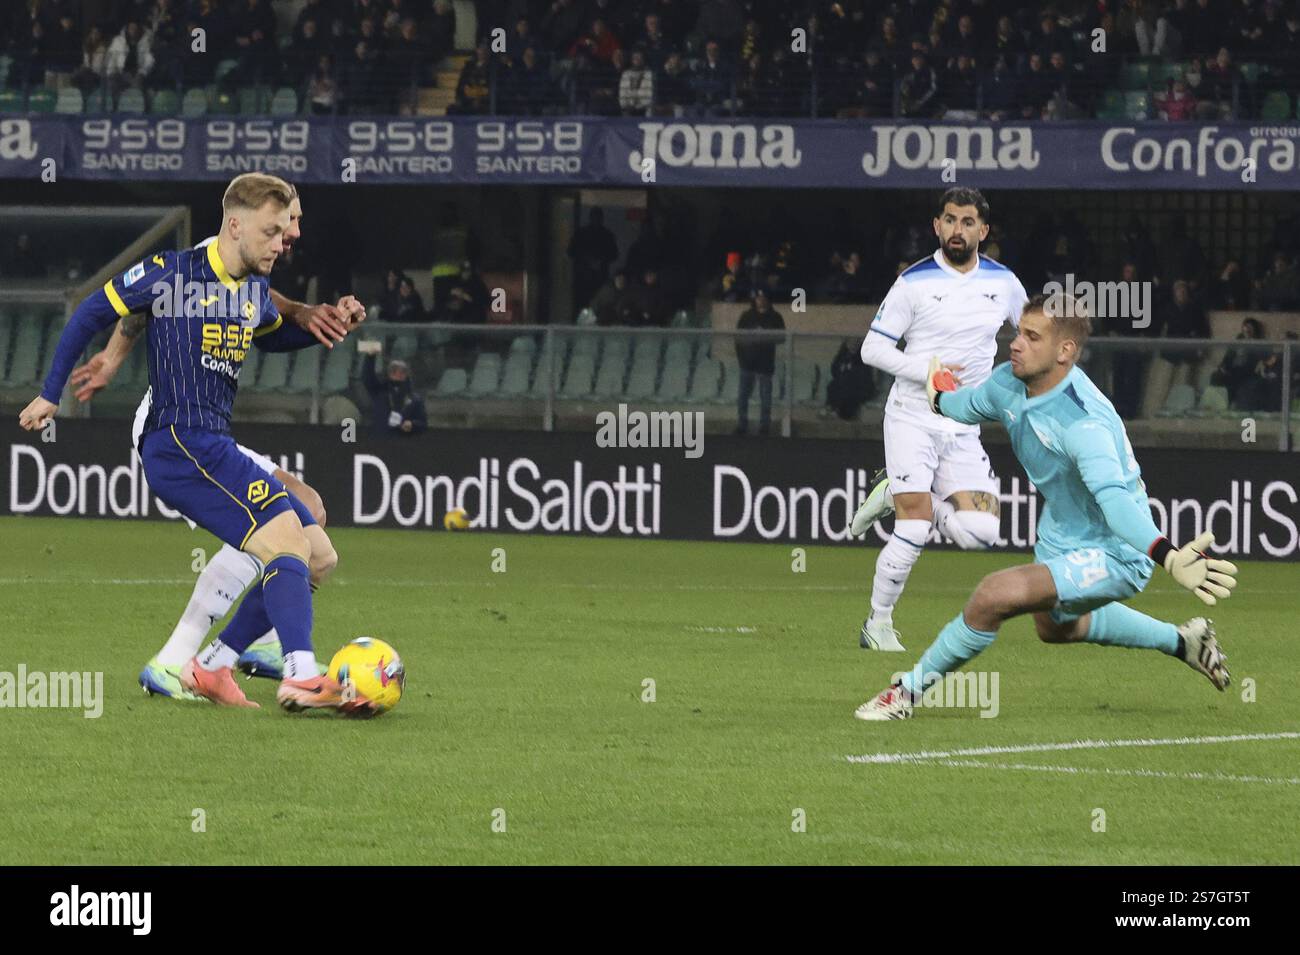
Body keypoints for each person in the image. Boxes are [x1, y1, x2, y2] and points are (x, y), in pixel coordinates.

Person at [19, 174, 370, 714]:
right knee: (287, 542)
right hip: (179, 443)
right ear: (235, 225)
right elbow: (93, 310)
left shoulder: (252, 289)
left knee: (318, 553)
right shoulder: (173, 274)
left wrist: (330, 325)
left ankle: (211, 664)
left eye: (285, 231)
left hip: (213, 444)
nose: (283, 243)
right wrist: (49, 395)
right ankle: (301, 673)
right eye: (273, 231)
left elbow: (278, 335)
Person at [856, 294, 1237, 720]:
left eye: (1031, 337)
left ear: (1064, 351)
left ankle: (905, 693)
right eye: (1018, 331)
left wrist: (1167, 556)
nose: (1016, 343)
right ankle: (1184, 642)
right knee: (1054, 627)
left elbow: (1115, 502)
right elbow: (964, 407)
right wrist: (938, 394)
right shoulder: (1007, 383)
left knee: (992, 595)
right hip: (1062, 526)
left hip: (1116, 550)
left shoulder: (1083, 422)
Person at [851, 187, 1029, 653]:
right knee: (914, 526)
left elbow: (1033, 334)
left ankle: (894, 490)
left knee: (982, 532)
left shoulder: (1005, 283)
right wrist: (929, 370)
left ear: (983, 231)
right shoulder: (913, 282)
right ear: (937, 226)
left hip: (963, 423)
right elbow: (872, 348)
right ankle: (879, 624)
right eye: (949, 220)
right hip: (912, 417)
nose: (958, 230)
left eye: (968, 222)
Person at [734, 288, 784, 436]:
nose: (760, 300)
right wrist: (741, 358)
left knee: (765, 397)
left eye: (763, 297)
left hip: (765, 363)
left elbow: (782, 337)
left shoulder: (775, 317)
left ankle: (764, 426)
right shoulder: (747, 316)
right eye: (758, 297)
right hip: (747, 362)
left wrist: (766, 336)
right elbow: (738, 338)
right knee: (743, 395)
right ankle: (742, 425)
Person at [363, 355, 428, 435]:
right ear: (388, 374)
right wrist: (370, 357)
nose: (398, 374)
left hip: (405, 442)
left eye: (402, 372)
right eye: (394, 371)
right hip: (380, 441)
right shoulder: (379, 391)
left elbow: (423, 423)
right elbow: (368, 378)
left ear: (407, 375)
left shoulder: (415, 399)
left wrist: (412, 424)